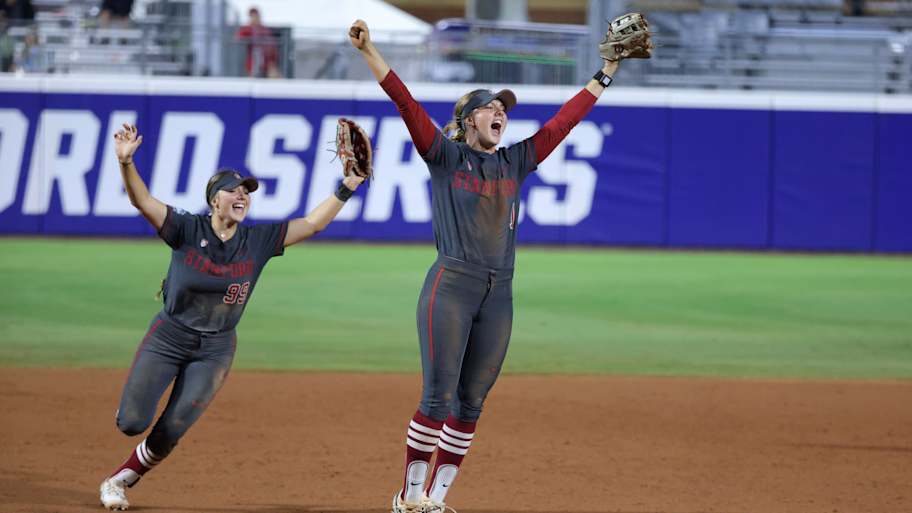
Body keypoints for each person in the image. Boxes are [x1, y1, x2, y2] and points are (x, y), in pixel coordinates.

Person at [349, 18, 621, 513]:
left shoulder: (515, 162)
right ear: (468, 119)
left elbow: (563, 122)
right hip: (451, 286)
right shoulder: (445, 156)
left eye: (503, 109)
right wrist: (371, 51)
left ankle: (435, 498)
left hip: (500, 295)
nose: (500, 113)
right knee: (437, 398)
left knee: (471, 403)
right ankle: (408, 498)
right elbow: (406, 104)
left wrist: (605, 72)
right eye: (490, 108)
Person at [98, 123, 365, 511]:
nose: (242, 195)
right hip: (169, 336)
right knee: (132, 422)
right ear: (213, 201)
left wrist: (348, 185)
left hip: (216, 347)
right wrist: (126, 163)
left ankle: (119, 480)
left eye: (246, 192)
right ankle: (131, 409)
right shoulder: (186, 228)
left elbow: (313, 223)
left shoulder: (256, 242)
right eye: (233, 190)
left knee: (173, 428)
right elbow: (143, 201)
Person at [235, 6, 280, 78]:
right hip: (254, 61)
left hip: (266, 61)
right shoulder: (248, 28)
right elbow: (239, 36)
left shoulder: (264, 29)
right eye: (252, 16)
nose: (254, 17)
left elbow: (271, 45)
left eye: (255, 15)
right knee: (254, 77)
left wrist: (272, 62)